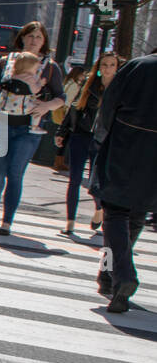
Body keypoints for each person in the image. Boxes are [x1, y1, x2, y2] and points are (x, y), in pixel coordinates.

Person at [0, 20, 65, 235]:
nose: (34, 41)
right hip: (3, 123)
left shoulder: (49, 67)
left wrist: (47, 106)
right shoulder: (5, 62)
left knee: (16, 173)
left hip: (29, 129)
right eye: (30, 36)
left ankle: (7, 222)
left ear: (44, 41)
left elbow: (61, 97)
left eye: (39, 37)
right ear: (22, 38)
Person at [89, 52, 157, 312]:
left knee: (115, 213)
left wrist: (104, 136)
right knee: (136, 214)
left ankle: (122, 275)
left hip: (126, 145)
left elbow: (109, 105)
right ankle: (107, 275)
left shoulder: (139, 65)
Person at [54, 52, 119, 235]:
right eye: (104, 64)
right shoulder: (89, 84)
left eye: (111, 65)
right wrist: (62, 131)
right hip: (80, 136)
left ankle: (99, 209)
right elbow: (74, 109)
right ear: (99, 67)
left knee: (94, 183)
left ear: (116, 67)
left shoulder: (120, 88)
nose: (107, 68)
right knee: (74, 179)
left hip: (103, 140)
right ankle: (70, 222)